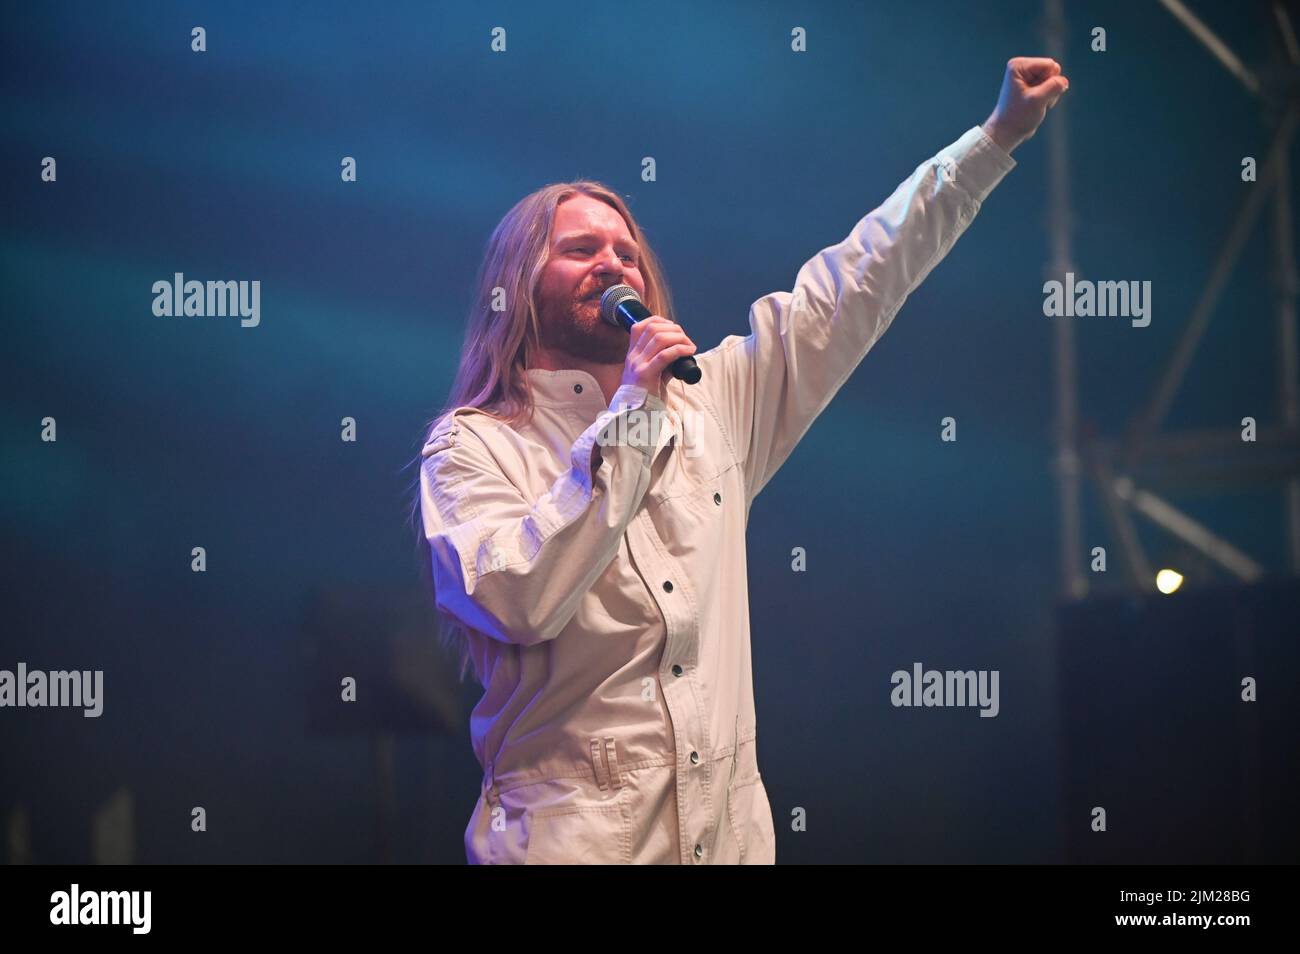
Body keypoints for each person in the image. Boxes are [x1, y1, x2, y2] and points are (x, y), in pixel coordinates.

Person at [415, 57, 1069, 864]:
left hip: (726, 839)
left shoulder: (712, 401)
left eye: (625, 250)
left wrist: (994, 138)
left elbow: (856, 282)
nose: (612, 262)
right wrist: (628, 419)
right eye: (580, 249)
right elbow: (521, 599)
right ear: (516, 285)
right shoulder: (473, 443)